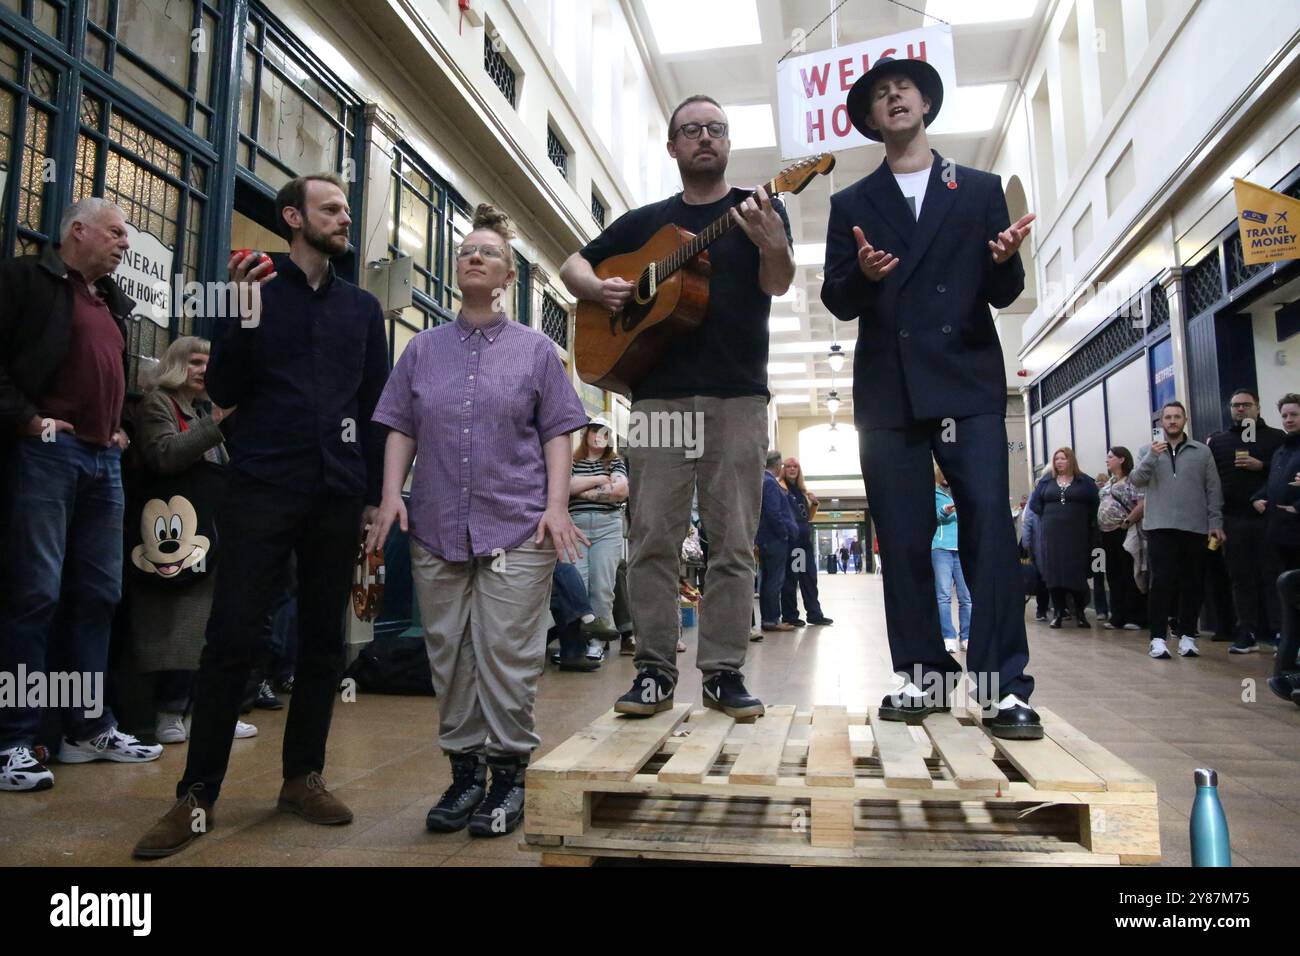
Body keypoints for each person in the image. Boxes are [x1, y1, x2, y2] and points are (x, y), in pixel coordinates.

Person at [134, 173, 389, 858]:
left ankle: (302, 777)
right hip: (261, 486)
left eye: (345, 208)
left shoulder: (364, 311)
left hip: (336, 491)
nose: (344, 217)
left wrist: (372, 495)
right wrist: (241, 314)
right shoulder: (251, 296)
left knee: (323, 643)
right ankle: (196, 795)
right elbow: (224, 389)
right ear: (292, 218)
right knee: (232, 634)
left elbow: (374, 409)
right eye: (331, 208)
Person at [820, 56, 1041, 738]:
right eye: (880, 94)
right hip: (887, 389)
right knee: (906, 539)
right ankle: (921, 675)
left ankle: (1002, 685)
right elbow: (836, 299)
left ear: (926, 104)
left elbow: (1003, 294)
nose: (893, 97)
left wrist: (1004, 260)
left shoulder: (975, 190)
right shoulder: (850, 205)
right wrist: (859, 274)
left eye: (904, 88)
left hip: (969, 379)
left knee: (987, 526)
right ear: (868, 118)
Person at [560, 94, 794, 722]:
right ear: (673, 147)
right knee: (653, 538)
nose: (705, 137)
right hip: (657, 397)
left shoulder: (762, 209)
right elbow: (571, 264)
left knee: (733, 541)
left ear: (728, 143)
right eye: (691, 129)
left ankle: (722, 672)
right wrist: (596, 287)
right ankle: (654, 672)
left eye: (717, 128)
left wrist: (773, 244)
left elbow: (778, 282)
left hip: (737, 395)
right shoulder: (647, 224)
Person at [368, 203, 589, 838]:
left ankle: (508, 777)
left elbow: (557, 433)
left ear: (508, 277)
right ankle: (465, 774)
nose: (474, 257)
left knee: (507, 654)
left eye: (488, 253)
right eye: (466, 249)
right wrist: (391, 495)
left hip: (518, 524)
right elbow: (401, 427)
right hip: (436, 524)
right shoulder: (421, 351)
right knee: (449, 653)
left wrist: (555, 505)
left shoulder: (538, 352)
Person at [0, 198, 163, 793]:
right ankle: (13, 739)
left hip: (104, 459)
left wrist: (118, 423)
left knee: (99, 595)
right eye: (117, 233)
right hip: (48, 454)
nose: (126, 243)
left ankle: (85, 727)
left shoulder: (113, 303)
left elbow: (112, 375)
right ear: (78, 231)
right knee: (35, 594)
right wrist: (25, 420)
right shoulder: (26, 279)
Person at [126, 336, 256, 744]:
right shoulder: (158, 403)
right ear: (176, 365)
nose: (203, 370)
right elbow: (163, 454)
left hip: (209, 534)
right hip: (171, 534)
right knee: (175, 626)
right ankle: (170, 709)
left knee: (214, 626)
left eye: (208, 363)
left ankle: (211, 709)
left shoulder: (200, 408)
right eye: (195, 362)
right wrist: (214, 422)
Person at [1130, 400, 1224, 660]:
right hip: (1159, 526)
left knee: (1193, 582)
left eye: (1177, 417)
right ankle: (1158, 638)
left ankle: (1188, 635)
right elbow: (1137, 480)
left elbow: (1213, 489)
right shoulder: (1146, 451)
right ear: (1161, 422)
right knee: (1161, 582)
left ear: (1185, 421)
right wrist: (1152, 455)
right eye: (1167, 417)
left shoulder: (1202, 452)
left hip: (1194, 527)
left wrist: (1215, 522)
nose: (1172, 421)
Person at [1207, 388, 1286, 653]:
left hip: (1268, 519)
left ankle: (1279, 631)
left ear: (1257, 408)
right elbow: (1212, 484)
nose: (1240, 409)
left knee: (1272, 575)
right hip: (1232, 519)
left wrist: (1260, 466)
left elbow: (1284, 474)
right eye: (1235, 405)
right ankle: (1247, 630)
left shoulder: (1277, 438)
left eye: (1246, 405)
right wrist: (1214, 521)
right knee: (1240, 577)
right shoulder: (1218, 442)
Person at [566, 416, 629, 663]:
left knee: (602, 585)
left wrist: (582, 491)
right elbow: (564, 486)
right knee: (576, 584)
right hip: (575, 527)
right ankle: (576, 640)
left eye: (605, 433)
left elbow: (621, 491)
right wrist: (599, 481)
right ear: (587, 434)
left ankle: (598, 640)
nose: (599, 436)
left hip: (607, 528)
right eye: (595, 431)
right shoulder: (572, 460)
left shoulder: (615, 462)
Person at [1029, 448, 1099, 629]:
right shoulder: (1046, 481)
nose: (1059, 462)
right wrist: (1049, 516)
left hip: (1077, 535)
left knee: (1076, 573)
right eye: (1056, 459)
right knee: (1054, 573)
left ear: (1071, 461)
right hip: (1052, 536)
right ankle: (1059, 612)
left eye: (1063, 458)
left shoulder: (1084, 482)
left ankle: (1080, 613)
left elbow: (1094, 504)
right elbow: (1035, 503)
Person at [1097, 446, 1146, 631]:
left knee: (1128, 572)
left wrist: (1127, 521)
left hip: (1125, 531)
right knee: (1113, 573)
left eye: (1110, 457)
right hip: (1106, 533)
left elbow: (1141, 504)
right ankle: (1117, 615)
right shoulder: (1110, 481)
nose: (1107, 460)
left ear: (1122, 459)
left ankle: (1135, 615)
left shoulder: (1133, 480)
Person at [780, 457, 833, 627]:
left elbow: (806, 518)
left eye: (795, 466)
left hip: (803, 543)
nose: (792, 469)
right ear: (783, 469)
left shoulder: (801, 491)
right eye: (788, 466)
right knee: (792, 579)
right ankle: (790, 615)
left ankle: (814, 614)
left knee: (809, 578)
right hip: (793, 543)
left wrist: (815, 504)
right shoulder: (782, 489)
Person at [1253, 393, 1300, 574]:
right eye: (1284, 416)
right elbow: (1274, 482)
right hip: (1281, 531)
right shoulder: (1280, 451)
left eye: (1294, 415)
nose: (1288, 420)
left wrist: (1297, 507)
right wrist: (1257, 498)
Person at [757, 450, 799, 632]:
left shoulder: (763, 481)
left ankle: (769, 619)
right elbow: (774, 513)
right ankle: (772, 619)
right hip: (774, 540)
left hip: (766, 539)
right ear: (777, 465)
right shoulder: (770, 484)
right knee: (774, 580)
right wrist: (784, 533)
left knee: (768, 579)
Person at [932, 465, 970, 653]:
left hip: (963, 547)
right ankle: (948, 636)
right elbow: (930, 517)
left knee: (966, 597)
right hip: (941, 548)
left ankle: (967, 636)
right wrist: (944, 511)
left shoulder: (963, 490)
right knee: (943, 596)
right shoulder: (933, 493)